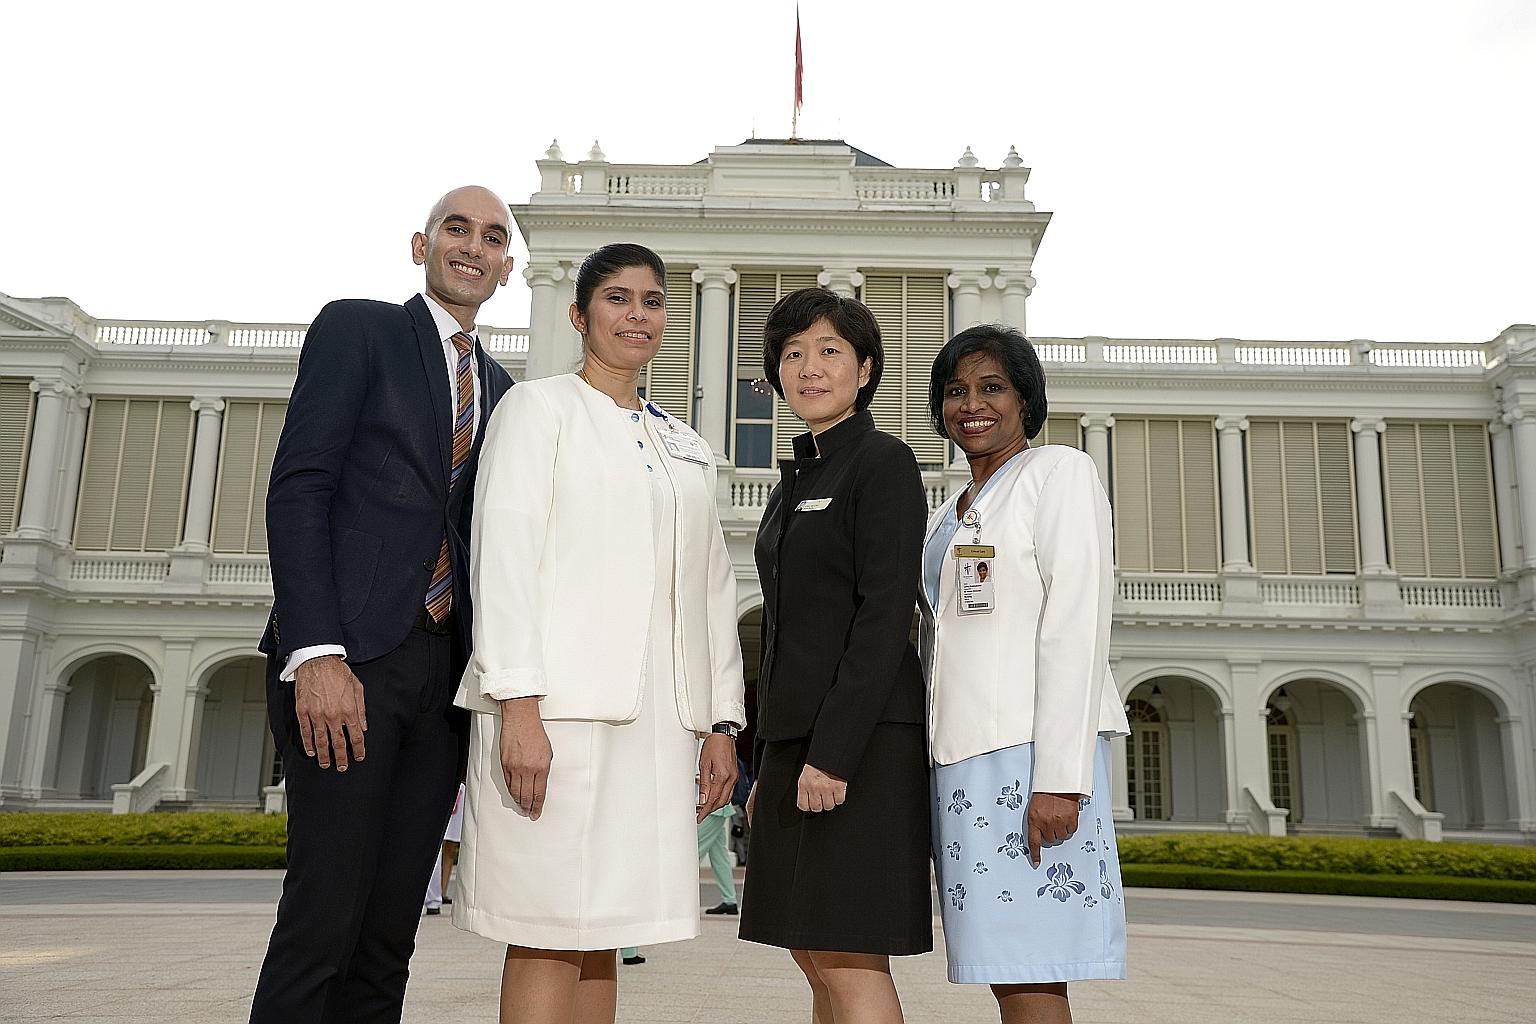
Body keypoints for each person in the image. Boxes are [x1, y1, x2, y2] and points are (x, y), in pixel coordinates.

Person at [451, 243, 745, 1024]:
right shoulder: (537, 408)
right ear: (580, 316)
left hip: (655, 726)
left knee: (602, 930)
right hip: (555, 718)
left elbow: (712, 587)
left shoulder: (682, 443)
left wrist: (720, 722)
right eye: (617, 299)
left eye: (651, 301)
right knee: (545, 927)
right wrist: (518, 706)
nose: (636, 315)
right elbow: (502, 558)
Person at [251, 186, 517, 1023]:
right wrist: (316, 652)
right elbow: (300, 487)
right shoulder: (359, 329)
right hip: (351, 658)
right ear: (421, 245)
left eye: (493, 237)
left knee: (389, 933)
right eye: (457, 229)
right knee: (323, 917)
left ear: (508, 268)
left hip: (444, 681)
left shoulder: (506, 390)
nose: (473, 246)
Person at [921, 325, 1130, 1024]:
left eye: (991, 388)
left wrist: (1061, 780)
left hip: (1031, 756)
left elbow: (1076, 625)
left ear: (1026, 400)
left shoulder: (1059, 474)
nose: (971, 405)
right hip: (963, 756)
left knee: (1033, 969)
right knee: (1002, 962)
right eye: (955, 391)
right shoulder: (950, 511)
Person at [741, 287, 932, 1024]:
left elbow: (886, 619)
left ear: (866, 368)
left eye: (828, 351)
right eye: (792, 354)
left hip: (860, 748)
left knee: (847, 957)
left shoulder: (882, 463)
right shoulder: (797, 480)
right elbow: (785, 638)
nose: (809, 368)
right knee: (811, 953)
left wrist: (834, 756)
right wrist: (771, 762)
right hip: (799, 747)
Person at [699, 801, 739, 915]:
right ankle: (730, 901)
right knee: (719, 857)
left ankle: (678, 901)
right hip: (716, 808)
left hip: (710, 808)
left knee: (690, 855)